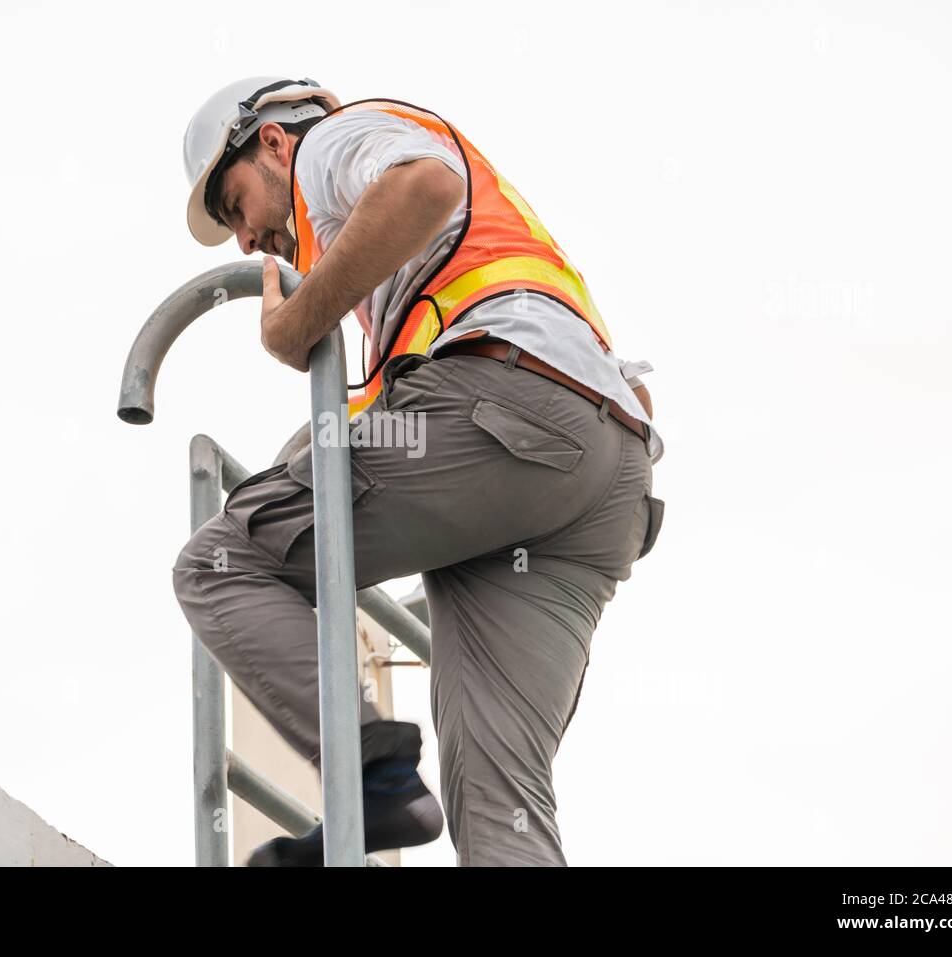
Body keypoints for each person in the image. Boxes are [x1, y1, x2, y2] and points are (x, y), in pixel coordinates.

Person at [172, 76, 665, 866]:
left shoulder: (329, 146)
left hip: (509, 415)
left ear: (270, 141)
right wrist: (294, 462)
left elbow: (423, 186)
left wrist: (294, 327)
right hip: (598, 473)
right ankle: (380, 787)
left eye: (235, 207)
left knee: (218, 563)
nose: (245, 240)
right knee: (500, 798)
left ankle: (376, 777)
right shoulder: (429, 283)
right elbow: (384, 417)